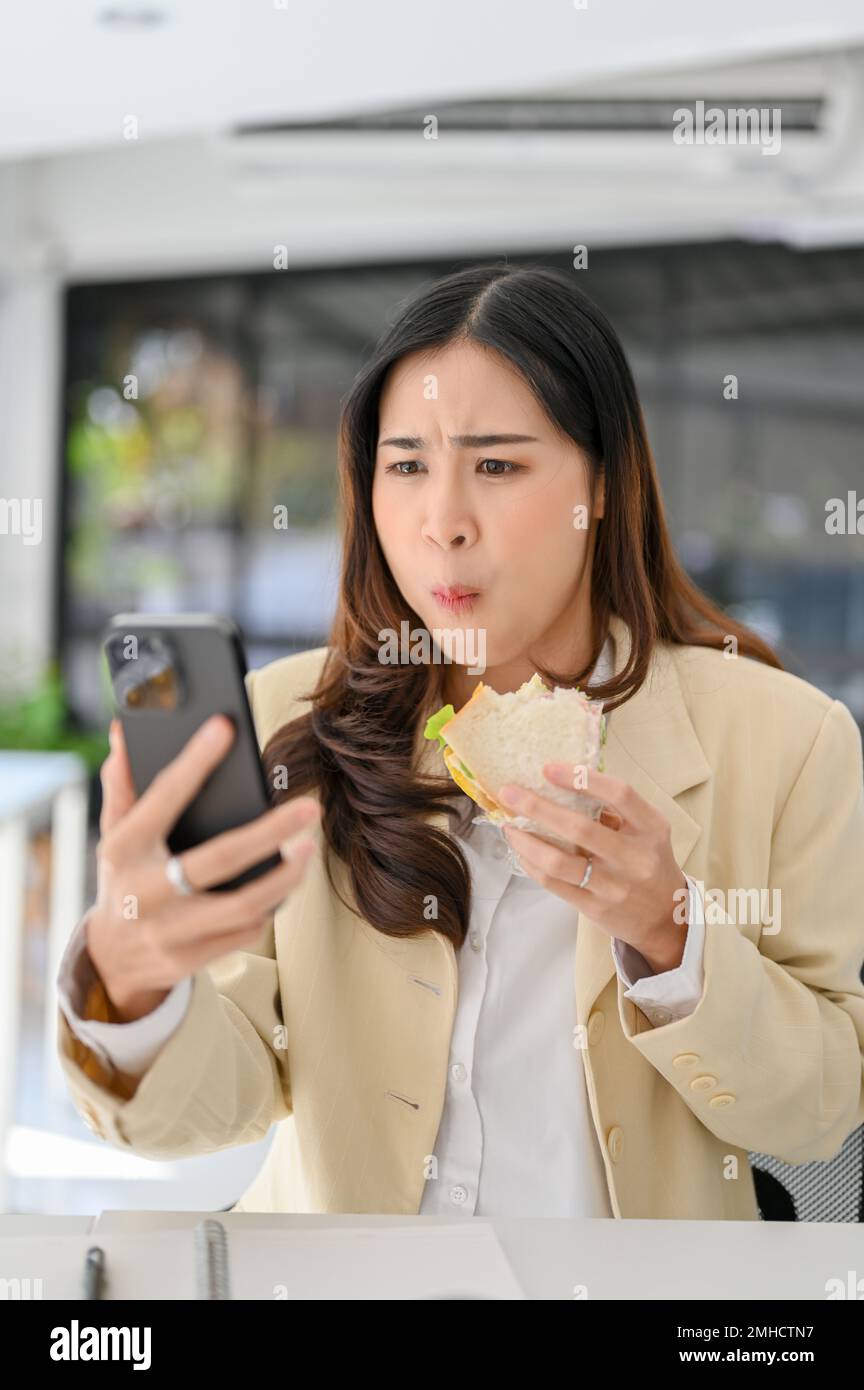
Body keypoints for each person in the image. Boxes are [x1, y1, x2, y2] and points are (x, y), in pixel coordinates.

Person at [58, 263, 864, 1219]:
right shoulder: (286, 723)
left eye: (496, 465)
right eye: (405, 466)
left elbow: (814, 1115)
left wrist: (670, 934)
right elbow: (219, 1104)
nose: (442, 523)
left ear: (601, 487)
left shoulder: (787, 738)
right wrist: (133, 984)